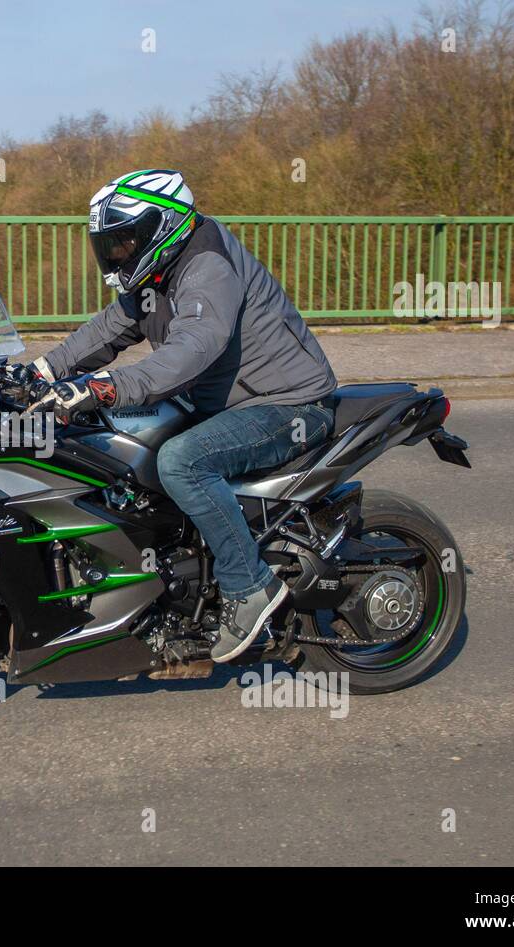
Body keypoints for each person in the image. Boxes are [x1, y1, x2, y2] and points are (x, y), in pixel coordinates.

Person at [27, 169, 337, 663]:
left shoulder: (207, 268)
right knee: (111, 444)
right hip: (223, 402)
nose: (116, 256)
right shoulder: (159, 271)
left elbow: (193, 349)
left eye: (126, 242)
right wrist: (39, 372)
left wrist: (105, 388)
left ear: (163, 226)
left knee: (180, 461)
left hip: (286, 404)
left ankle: (251, 584)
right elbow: (108, 329)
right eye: (110, 245)